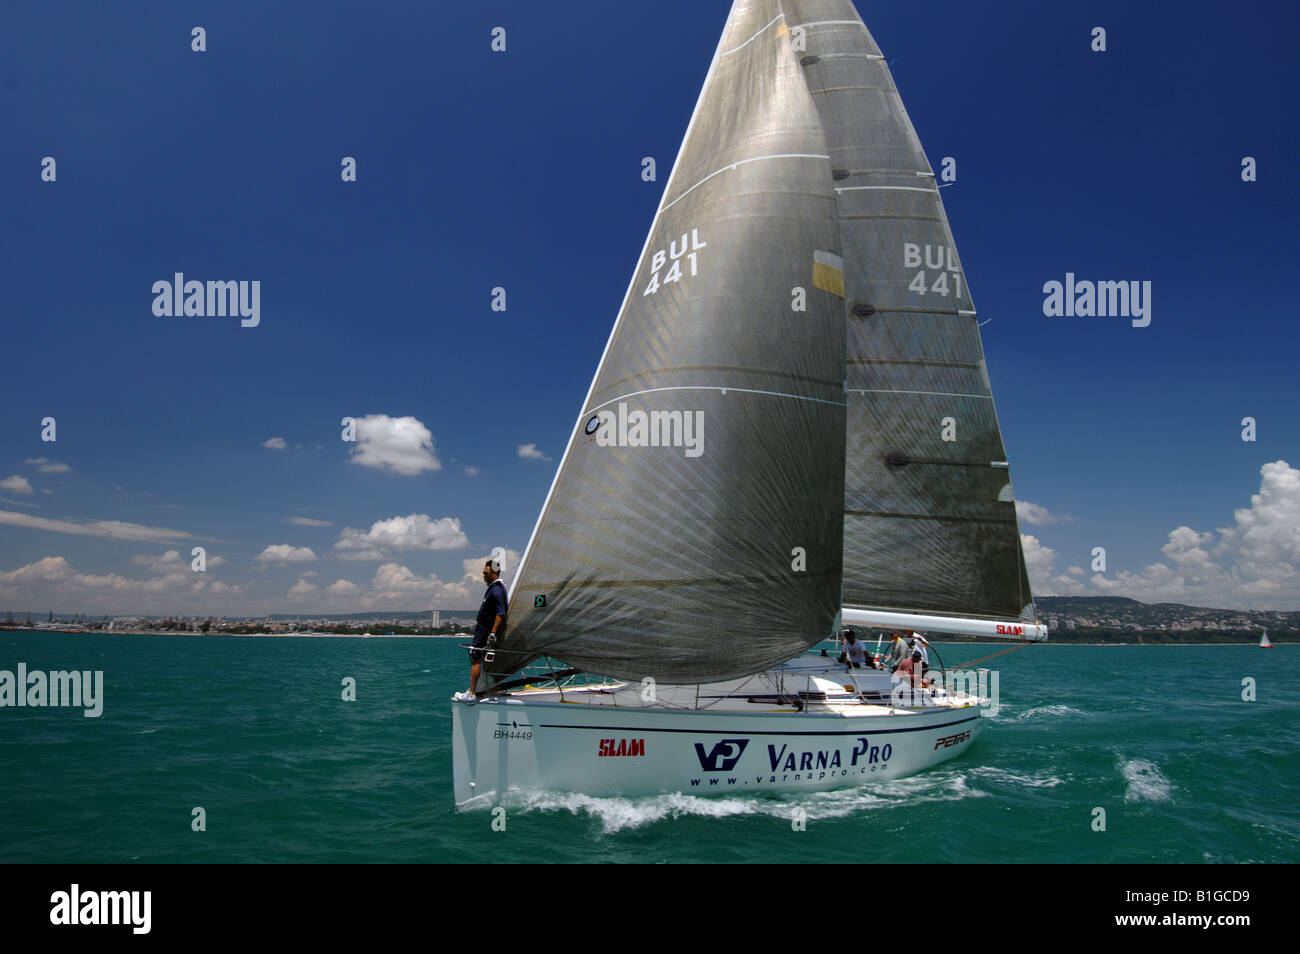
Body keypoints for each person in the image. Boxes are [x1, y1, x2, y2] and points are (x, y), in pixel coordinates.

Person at [452, 558, 508, 704]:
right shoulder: (495, 588)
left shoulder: (496, 590)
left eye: (486, 573)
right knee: (484, 659)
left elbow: (501, 614)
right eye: (483, 572)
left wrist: (493, 633)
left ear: (495, 573)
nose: (483, 575)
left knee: (475, 656)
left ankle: (472, 693)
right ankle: (494, 689)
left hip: (485, 631)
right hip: (483, 630)